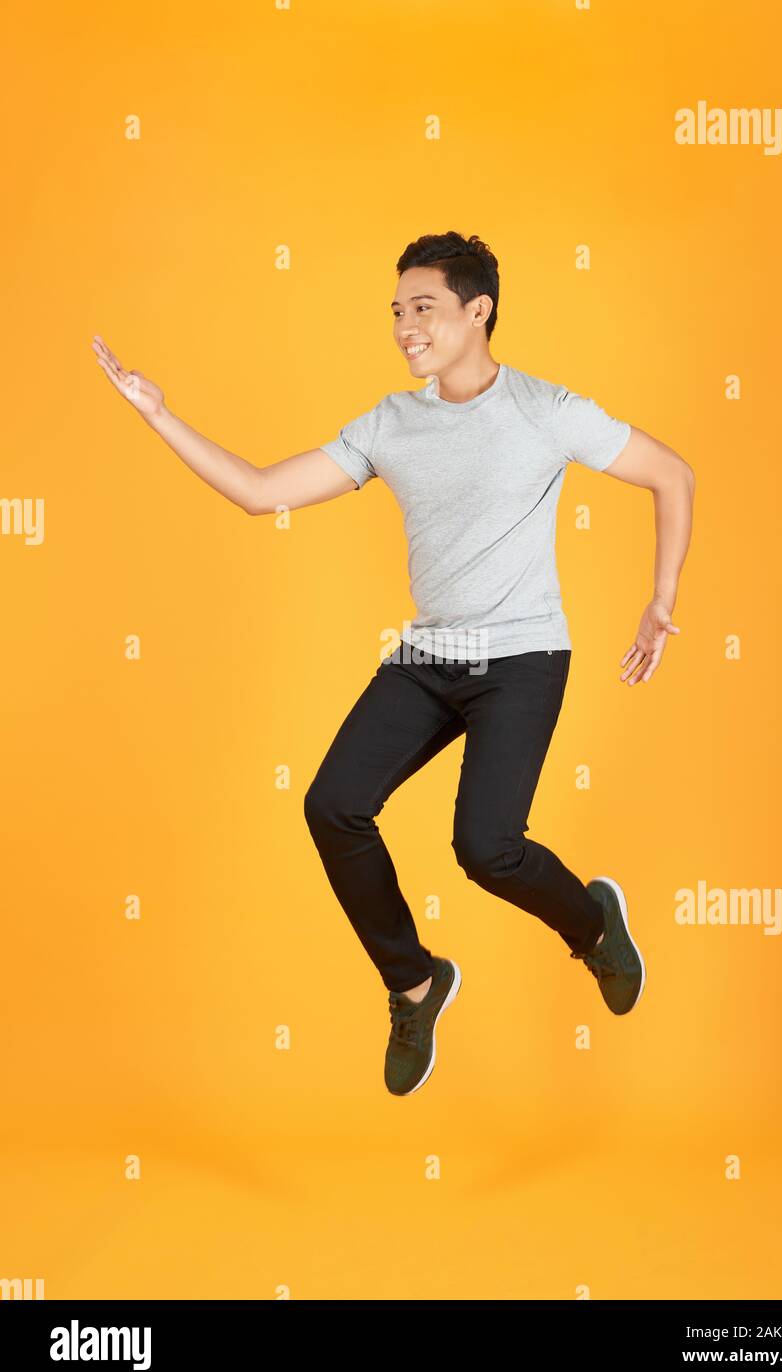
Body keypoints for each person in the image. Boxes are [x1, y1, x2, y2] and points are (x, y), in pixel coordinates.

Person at [92, 230, 695, 1099]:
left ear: (477, 310)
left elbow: (671, 475)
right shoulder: (390, 424)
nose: (405, 326)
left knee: (486, 850)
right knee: (332, 806)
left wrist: (659, 597)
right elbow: (261, 492)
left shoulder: (546, 409)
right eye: (396, 311)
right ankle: (414, 983)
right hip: (428, 656)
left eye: (423, 308)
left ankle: (593, 926)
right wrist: (158, 413)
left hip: (521, 656)